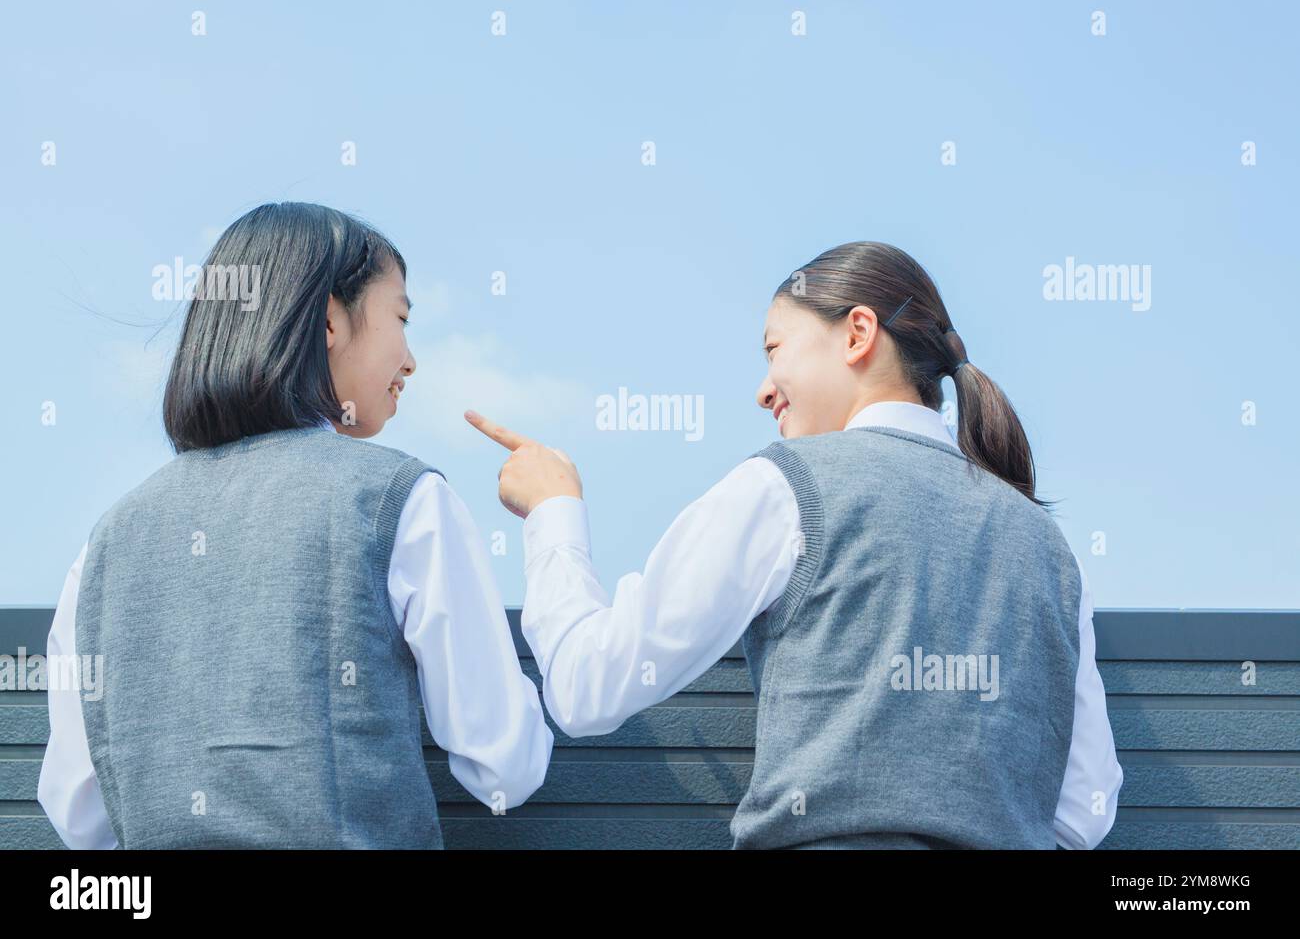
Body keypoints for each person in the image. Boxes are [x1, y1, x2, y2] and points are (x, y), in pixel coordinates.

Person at [467, 240, 1123, 849]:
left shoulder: (785, 487)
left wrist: (553, 511)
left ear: (857, 333)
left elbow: (591, 689)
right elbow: (1084, 807)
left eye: (774, 349)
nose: (763, 389)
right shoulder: (1051, 550)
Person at [39, 202, 553, 848]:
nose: (411, 359)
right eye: (400, 317)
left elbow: (80, 812)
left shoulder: (105, 544)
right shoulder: (402, 499)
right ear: (332, 320)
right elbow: (505, 765)